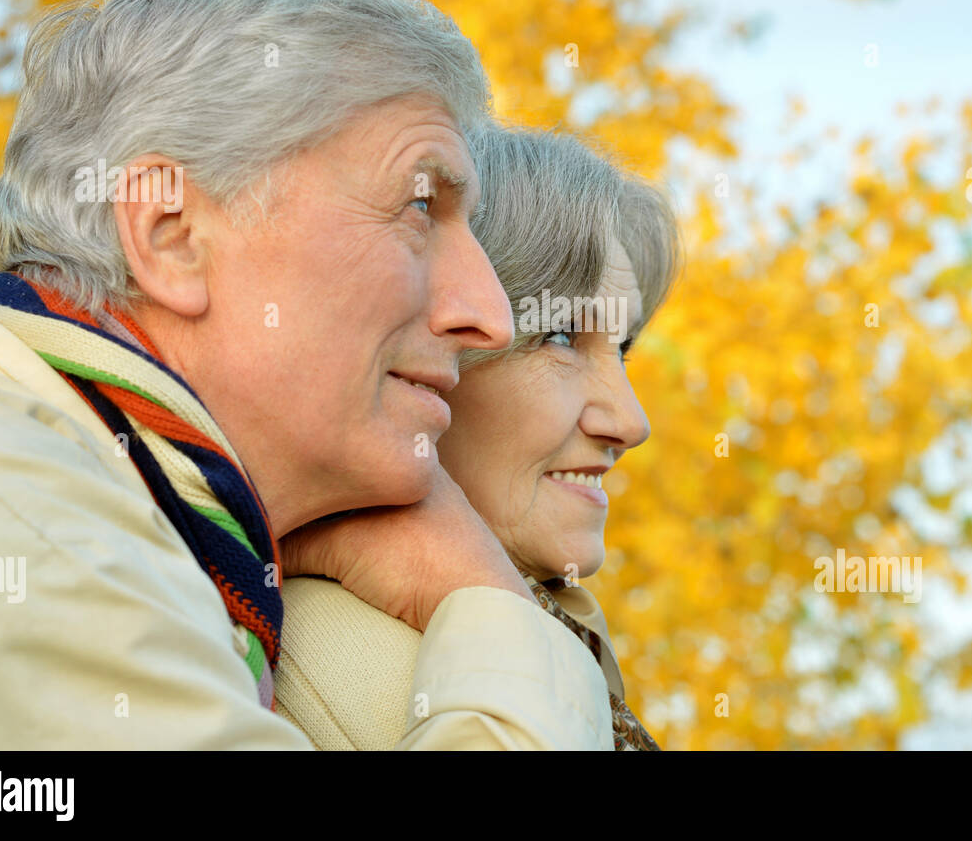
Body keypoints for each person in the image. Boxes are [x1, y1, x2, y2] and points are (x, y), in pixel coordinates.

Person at [0, 0, 613, 749]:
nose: (488, 316)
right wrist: (492, 607)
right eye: (420, 206)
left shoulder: (81, 486)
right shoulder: (2, 505)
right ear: (172, 235)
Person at [275, 122, 681, 750]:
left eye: (621, 349)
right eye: (561, 337)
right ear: (424, 353)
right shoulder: (342, 669)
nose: (630, 423)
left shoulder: (553, 628)